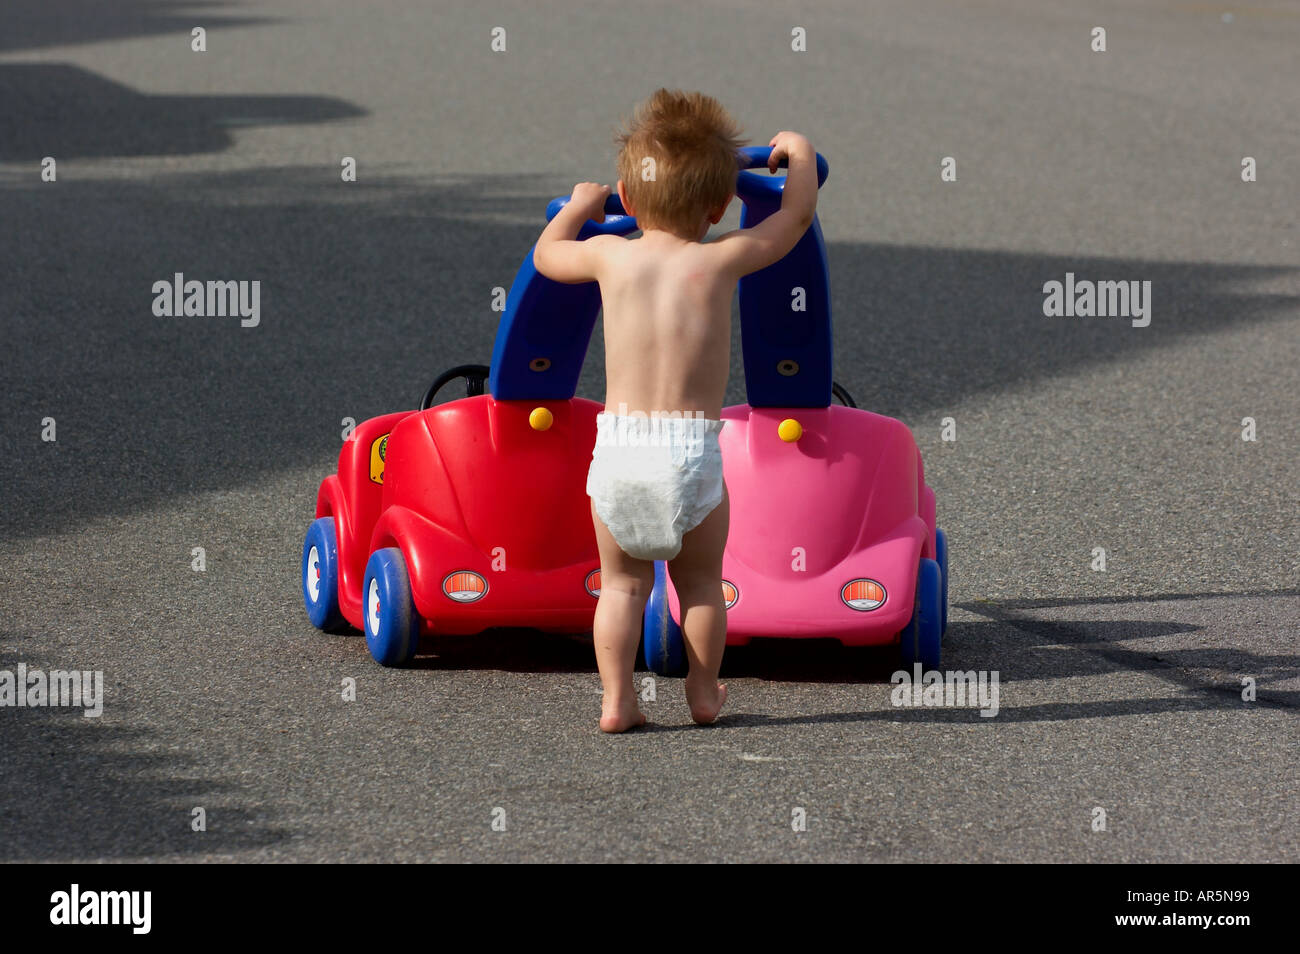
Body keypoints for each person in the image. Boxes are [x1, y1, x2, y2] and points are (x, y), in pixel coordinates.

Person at [532, 89, 819, 732]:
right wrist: (795, 153)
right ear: (721, 207)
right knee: (699, 588)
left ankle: (616, 701)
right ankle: (702, 691)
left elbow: (547, 258)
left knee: (622, 586)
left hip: (620, 453)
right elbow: (794, 220)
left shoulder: (610, 255)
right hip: (688, 452)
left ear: (628, 201)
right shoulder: (720, 260)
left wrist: (579, 207)